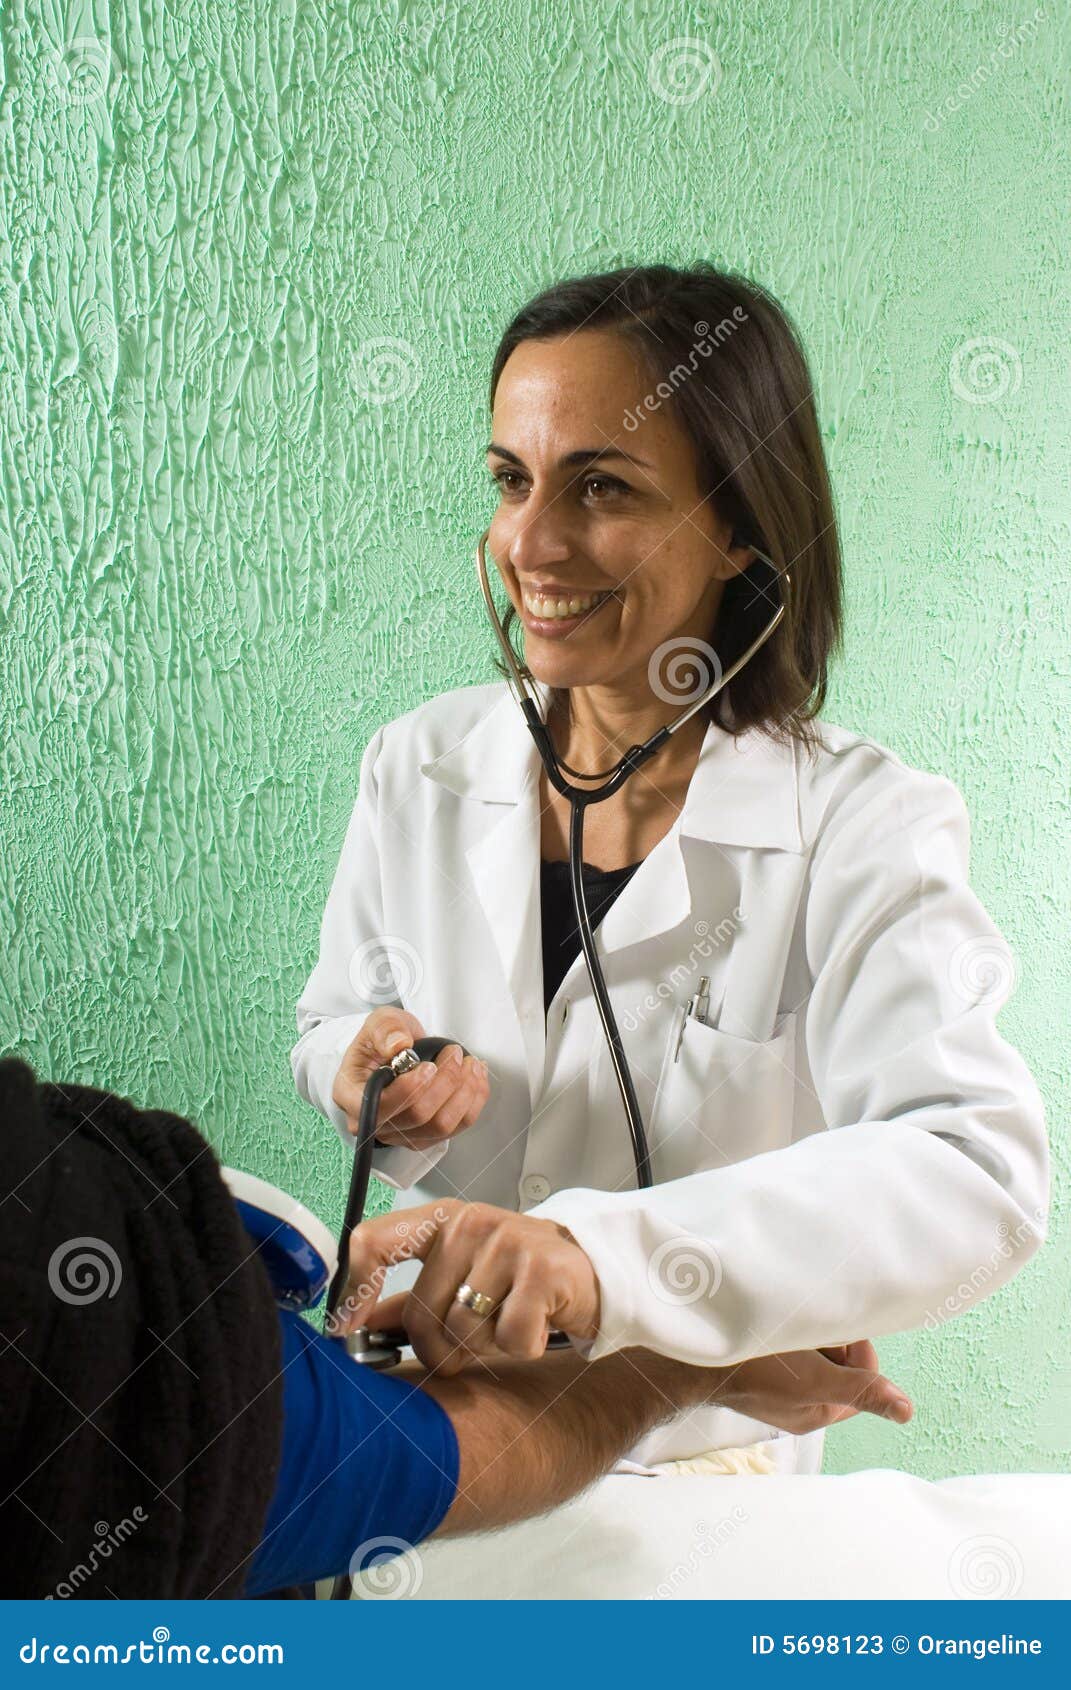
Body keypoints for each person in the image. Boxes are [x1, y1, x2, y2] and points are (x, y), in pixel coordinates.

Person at [292, 263, 1049, 1477]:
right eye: (511, 480)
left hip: (696, 1468)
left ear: (741, 524)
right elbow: (336, 1018)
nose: (531, 542)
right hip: (433, 1431)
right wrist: (362, 1072)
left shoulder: (857, 825)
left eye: (602, 486)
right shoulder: (418, 765)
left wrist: (602, 1261)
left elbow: (976, 1168)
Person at [0, 1054, 912, 1600]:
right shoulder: (120, 1390)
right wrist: (691, 1363)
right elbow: (306, 1450)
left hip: (694, 1473)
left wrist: (670, 1321)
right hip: (490, 1430)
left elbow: (957, 1152)